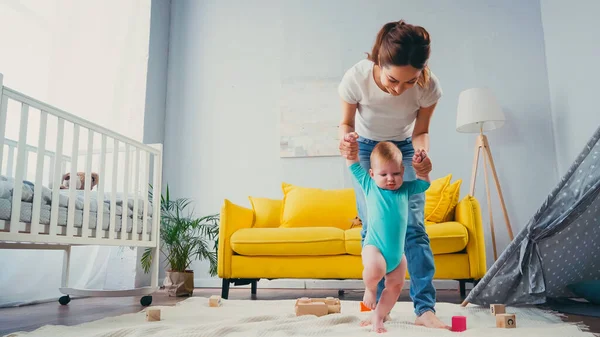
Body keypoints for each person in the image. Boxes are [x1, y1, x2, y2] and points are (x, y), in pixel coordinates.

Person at [337, 20, 448, 329]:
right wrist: (345, 143)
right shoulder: (356, 78)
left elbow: (421, 131)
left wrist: (422, 156)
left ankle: (424, 308)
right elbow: (345, 125)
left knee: (414, 228)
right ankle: (375, 309)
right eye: (393, 79)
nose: (400, 90)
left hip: (405, 146)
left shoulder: (429, 85)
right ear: (378, 61)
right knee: (371, 226)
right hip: (366, 146)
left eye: (410, 82)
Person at [344, 132, 431, 333]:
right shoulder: (369, 185)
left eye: (396, 174)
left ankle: (378, 317)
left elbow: (424, 183)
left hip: (396, 255)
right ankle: (370, 289)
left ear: (403, 170)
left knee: (396, 286)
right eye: (384, 175)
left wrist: (422, 168)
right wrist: (351, 145)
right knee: (375, 270)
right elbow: (353, 164)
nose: (390, 179)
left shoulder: (406, 189)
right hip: (374, 248)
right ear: (373, 174)